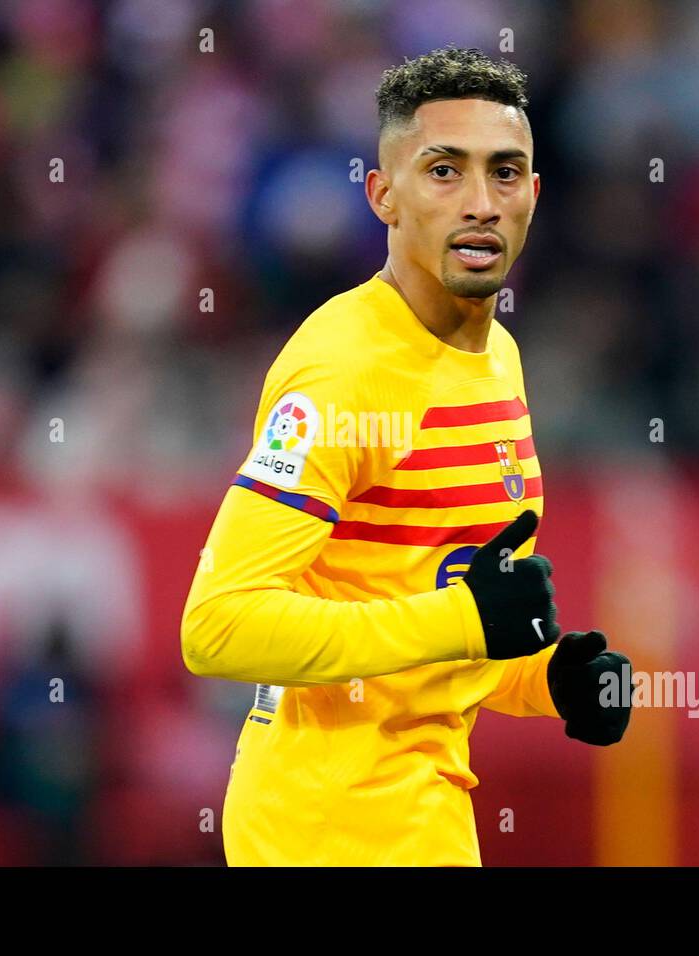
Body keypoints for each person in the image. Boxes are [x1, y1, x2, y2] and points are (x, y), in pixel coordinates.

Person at [182, 46, 632, 866]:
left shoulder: (497, 355)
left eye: (505, 173)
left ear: (534, 194)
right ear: (383, 195)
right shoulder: (340, 374)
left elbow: (421, 612)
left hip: (423, 816)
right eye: (444, 171)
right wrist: (462, 618)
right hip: (326, 828)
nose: (481, 203)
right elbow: (217, 627)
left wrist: (543, 679)